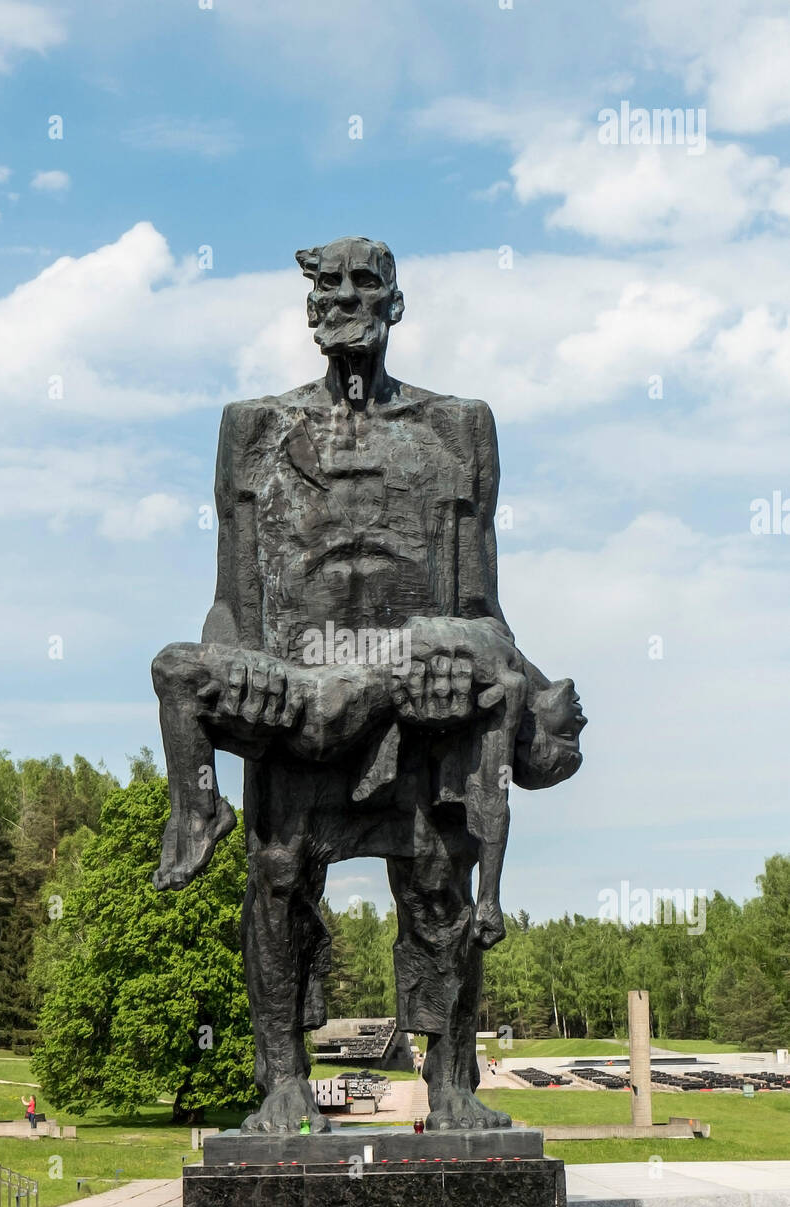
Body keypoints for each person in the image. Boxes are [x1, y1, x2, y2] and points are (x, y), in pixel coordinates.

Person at [152, 236, 586, 1134]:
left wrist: (510, 687)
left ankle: (452, 1081)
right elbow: (231, 601)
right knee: (277, 878)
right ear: (308, 304)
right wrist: (236, 671)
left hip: (417, 708)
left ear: (395, 302)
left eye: (362, 283)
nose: (342, 299)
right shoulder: (253, 427)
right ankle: (283, 1082)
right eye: (325, 285)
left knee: (437, 885)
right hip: (296, 693)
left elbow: (479, 601)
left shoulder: (457, 426)